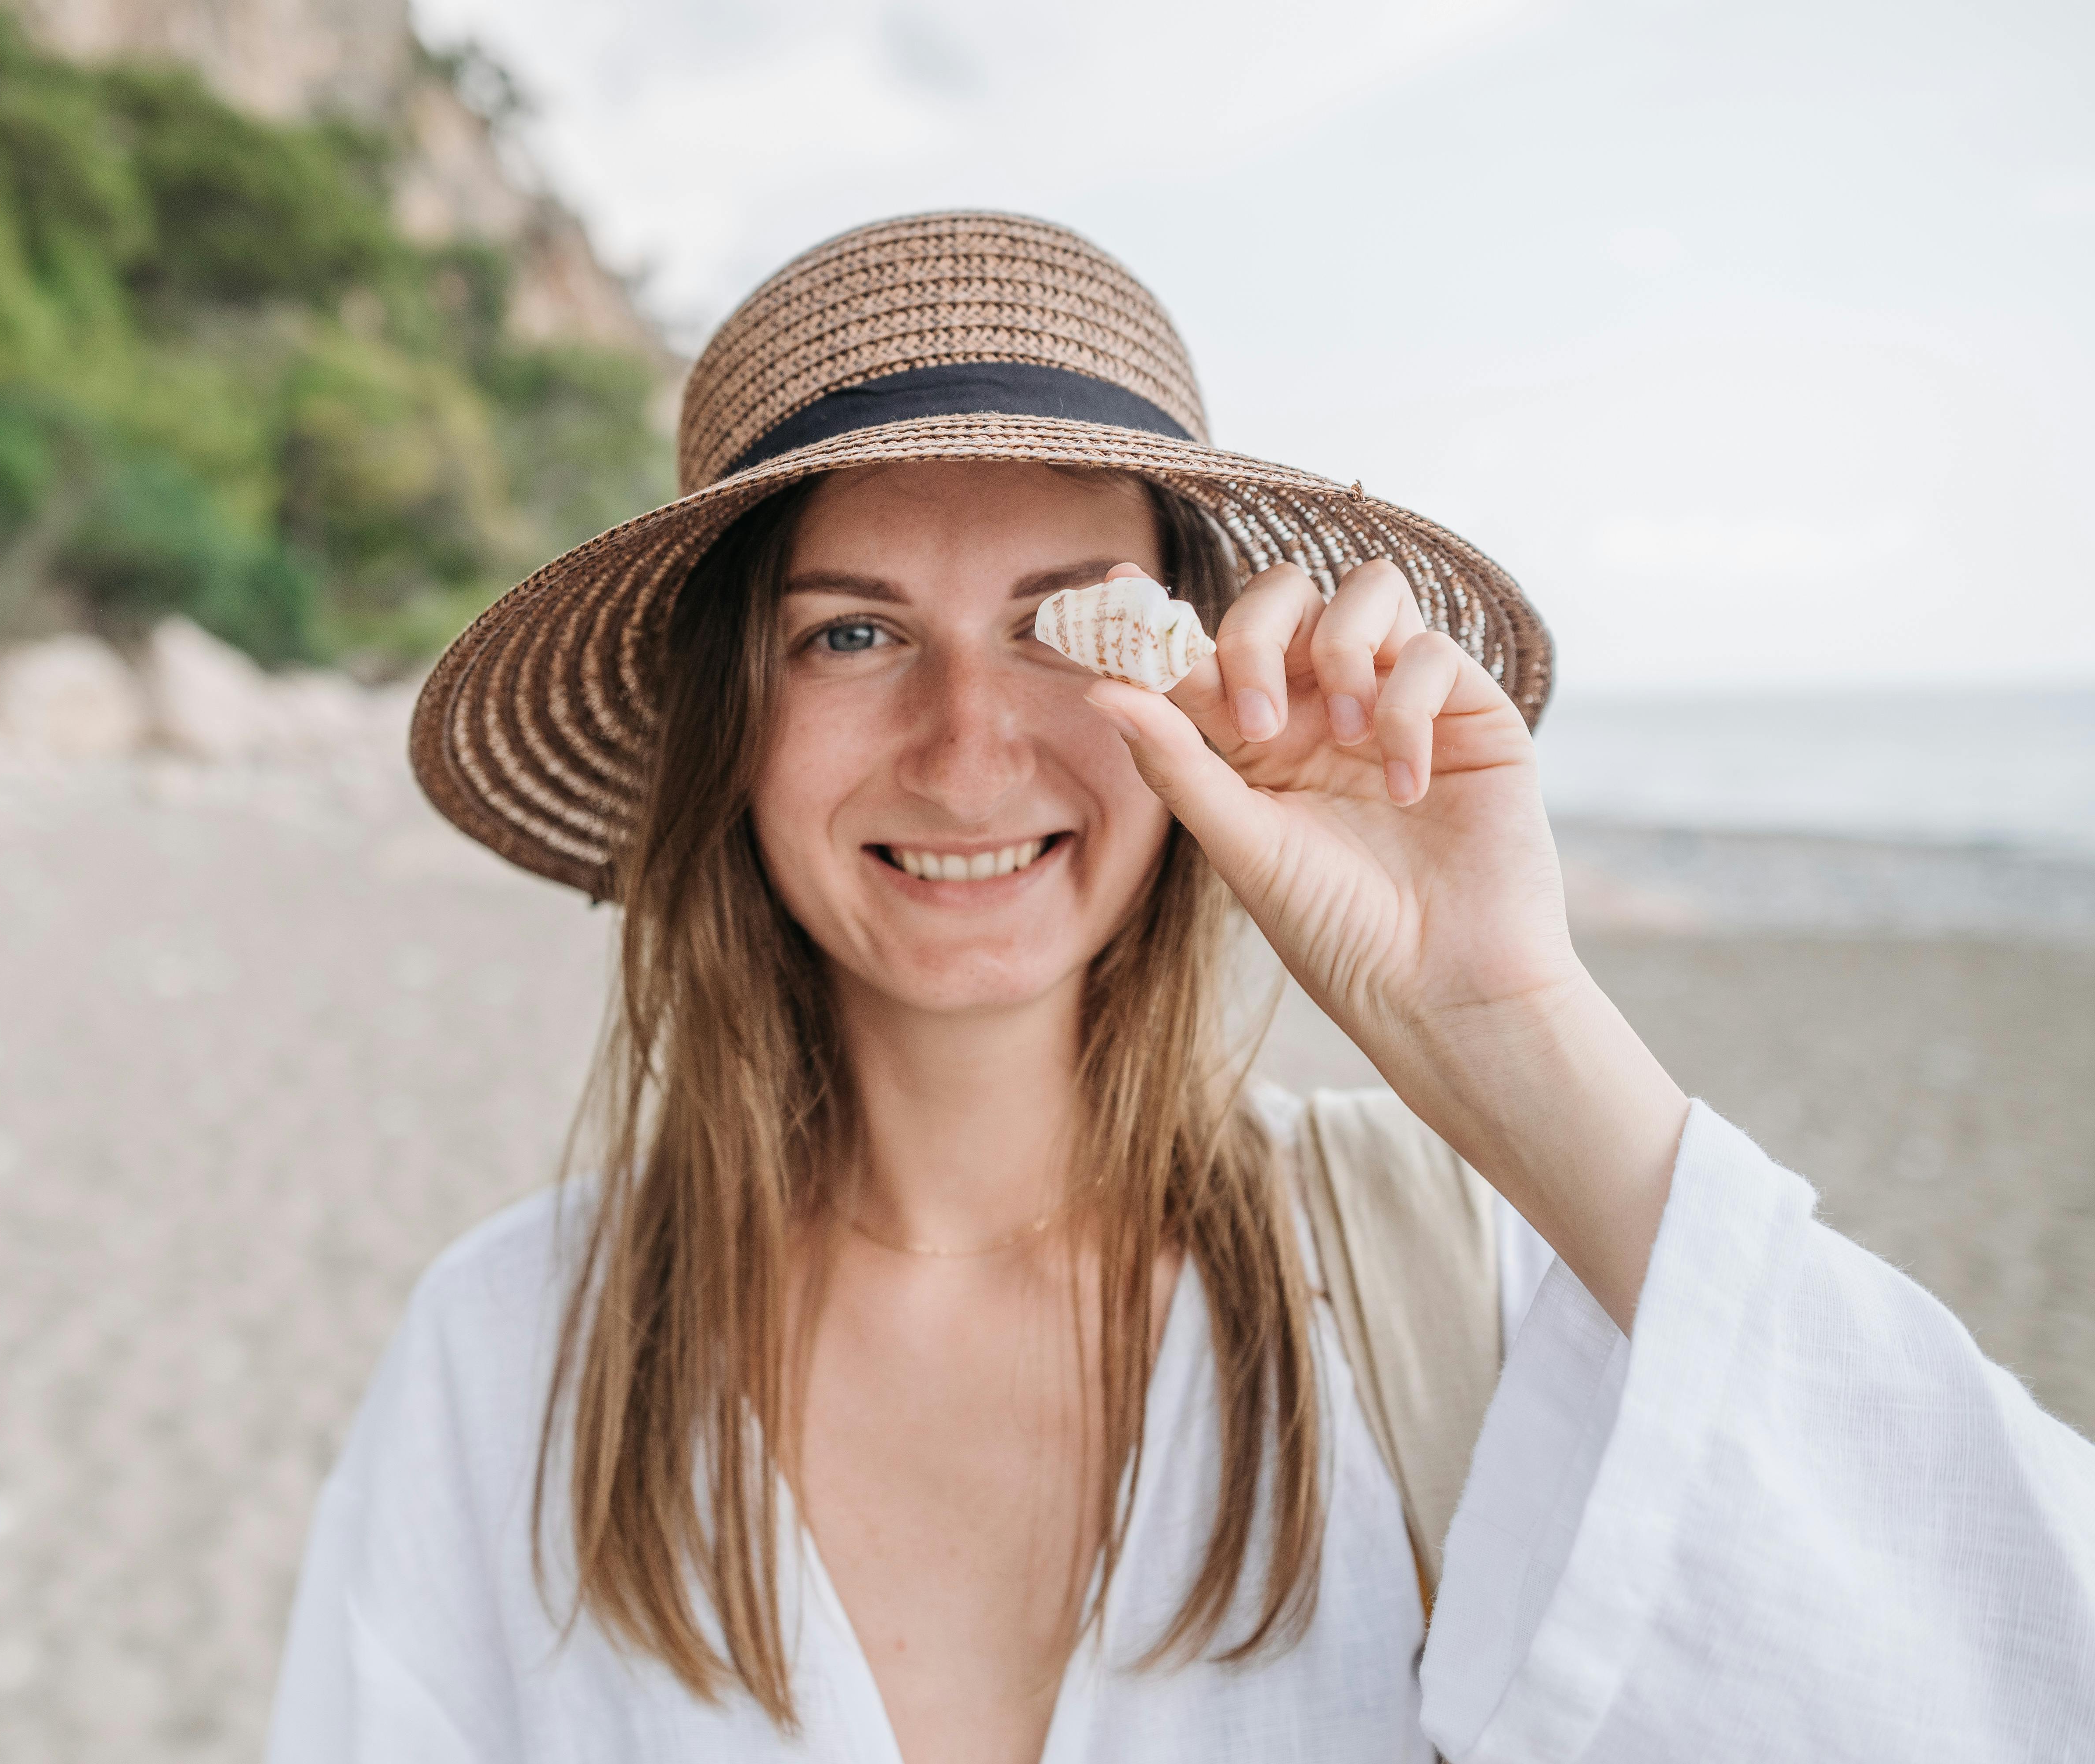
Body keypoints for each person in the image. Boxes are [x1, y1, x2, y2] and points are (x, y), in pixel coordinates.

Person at [265, 213, 2095, 1764]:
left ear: (1204, 685)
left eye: (1066, 625)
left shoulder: (1442, 1259)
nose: (968, 746)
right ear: (730, 720)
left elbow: (2011, 1657)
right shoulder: (514, 1344)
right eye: (851, 630)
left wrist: (1505, 1025)